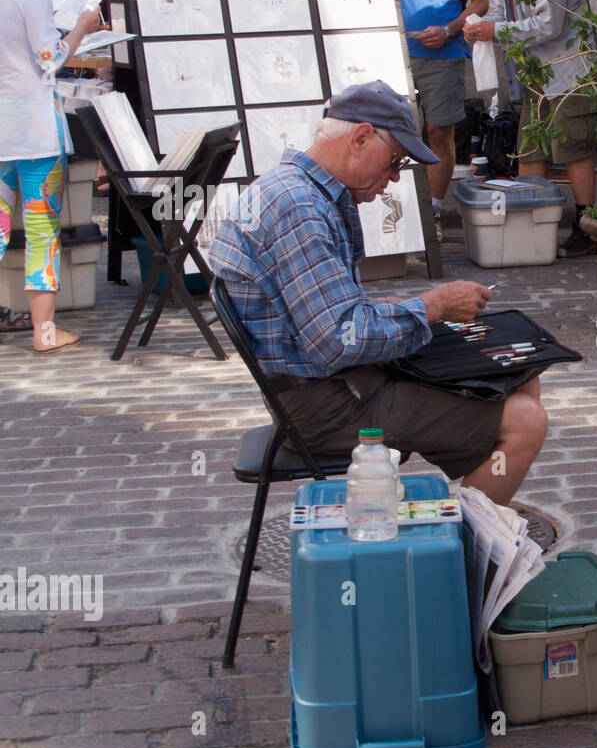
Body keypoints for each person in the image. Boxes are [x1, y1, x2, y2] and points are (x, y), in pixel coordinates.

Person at [209, 81, 547, 505]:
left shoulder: (299, 191)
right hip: (327, 403)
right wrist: (433, 306)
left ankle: (465, 531)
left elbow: (330, 314)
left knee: (520, 374)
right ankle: (464, 555)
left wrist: (408, 310)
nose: (391, 178)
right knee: (525, 422)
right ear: (360, 137)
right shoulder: (298, 207)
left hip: (331, 384)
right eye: (395, 161)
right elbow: (337, 340)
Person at [463, 0, 597, 258]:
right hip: (538, 70)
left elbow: (550, 23)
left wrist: (495, 32)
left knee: (572, 148)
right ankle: (534, 221)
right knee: (530, 149)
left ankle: (588, 227)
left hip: (570, 68)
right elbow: (497, 10)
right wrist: (479, 26)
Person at [0, 0, 104, 350]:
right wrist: (81, 26)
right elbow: (50, 58)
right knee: (42, 228)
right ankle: (44, 331)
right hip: (35, 128)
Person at [383, 0, 487, 229]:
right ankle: (394, 212)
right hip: (395, 54)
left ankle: (433, 212)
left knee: (439, 131)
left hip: (443, 55)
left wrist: (448, 30)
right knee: (390, 132)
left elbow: (479, 2)